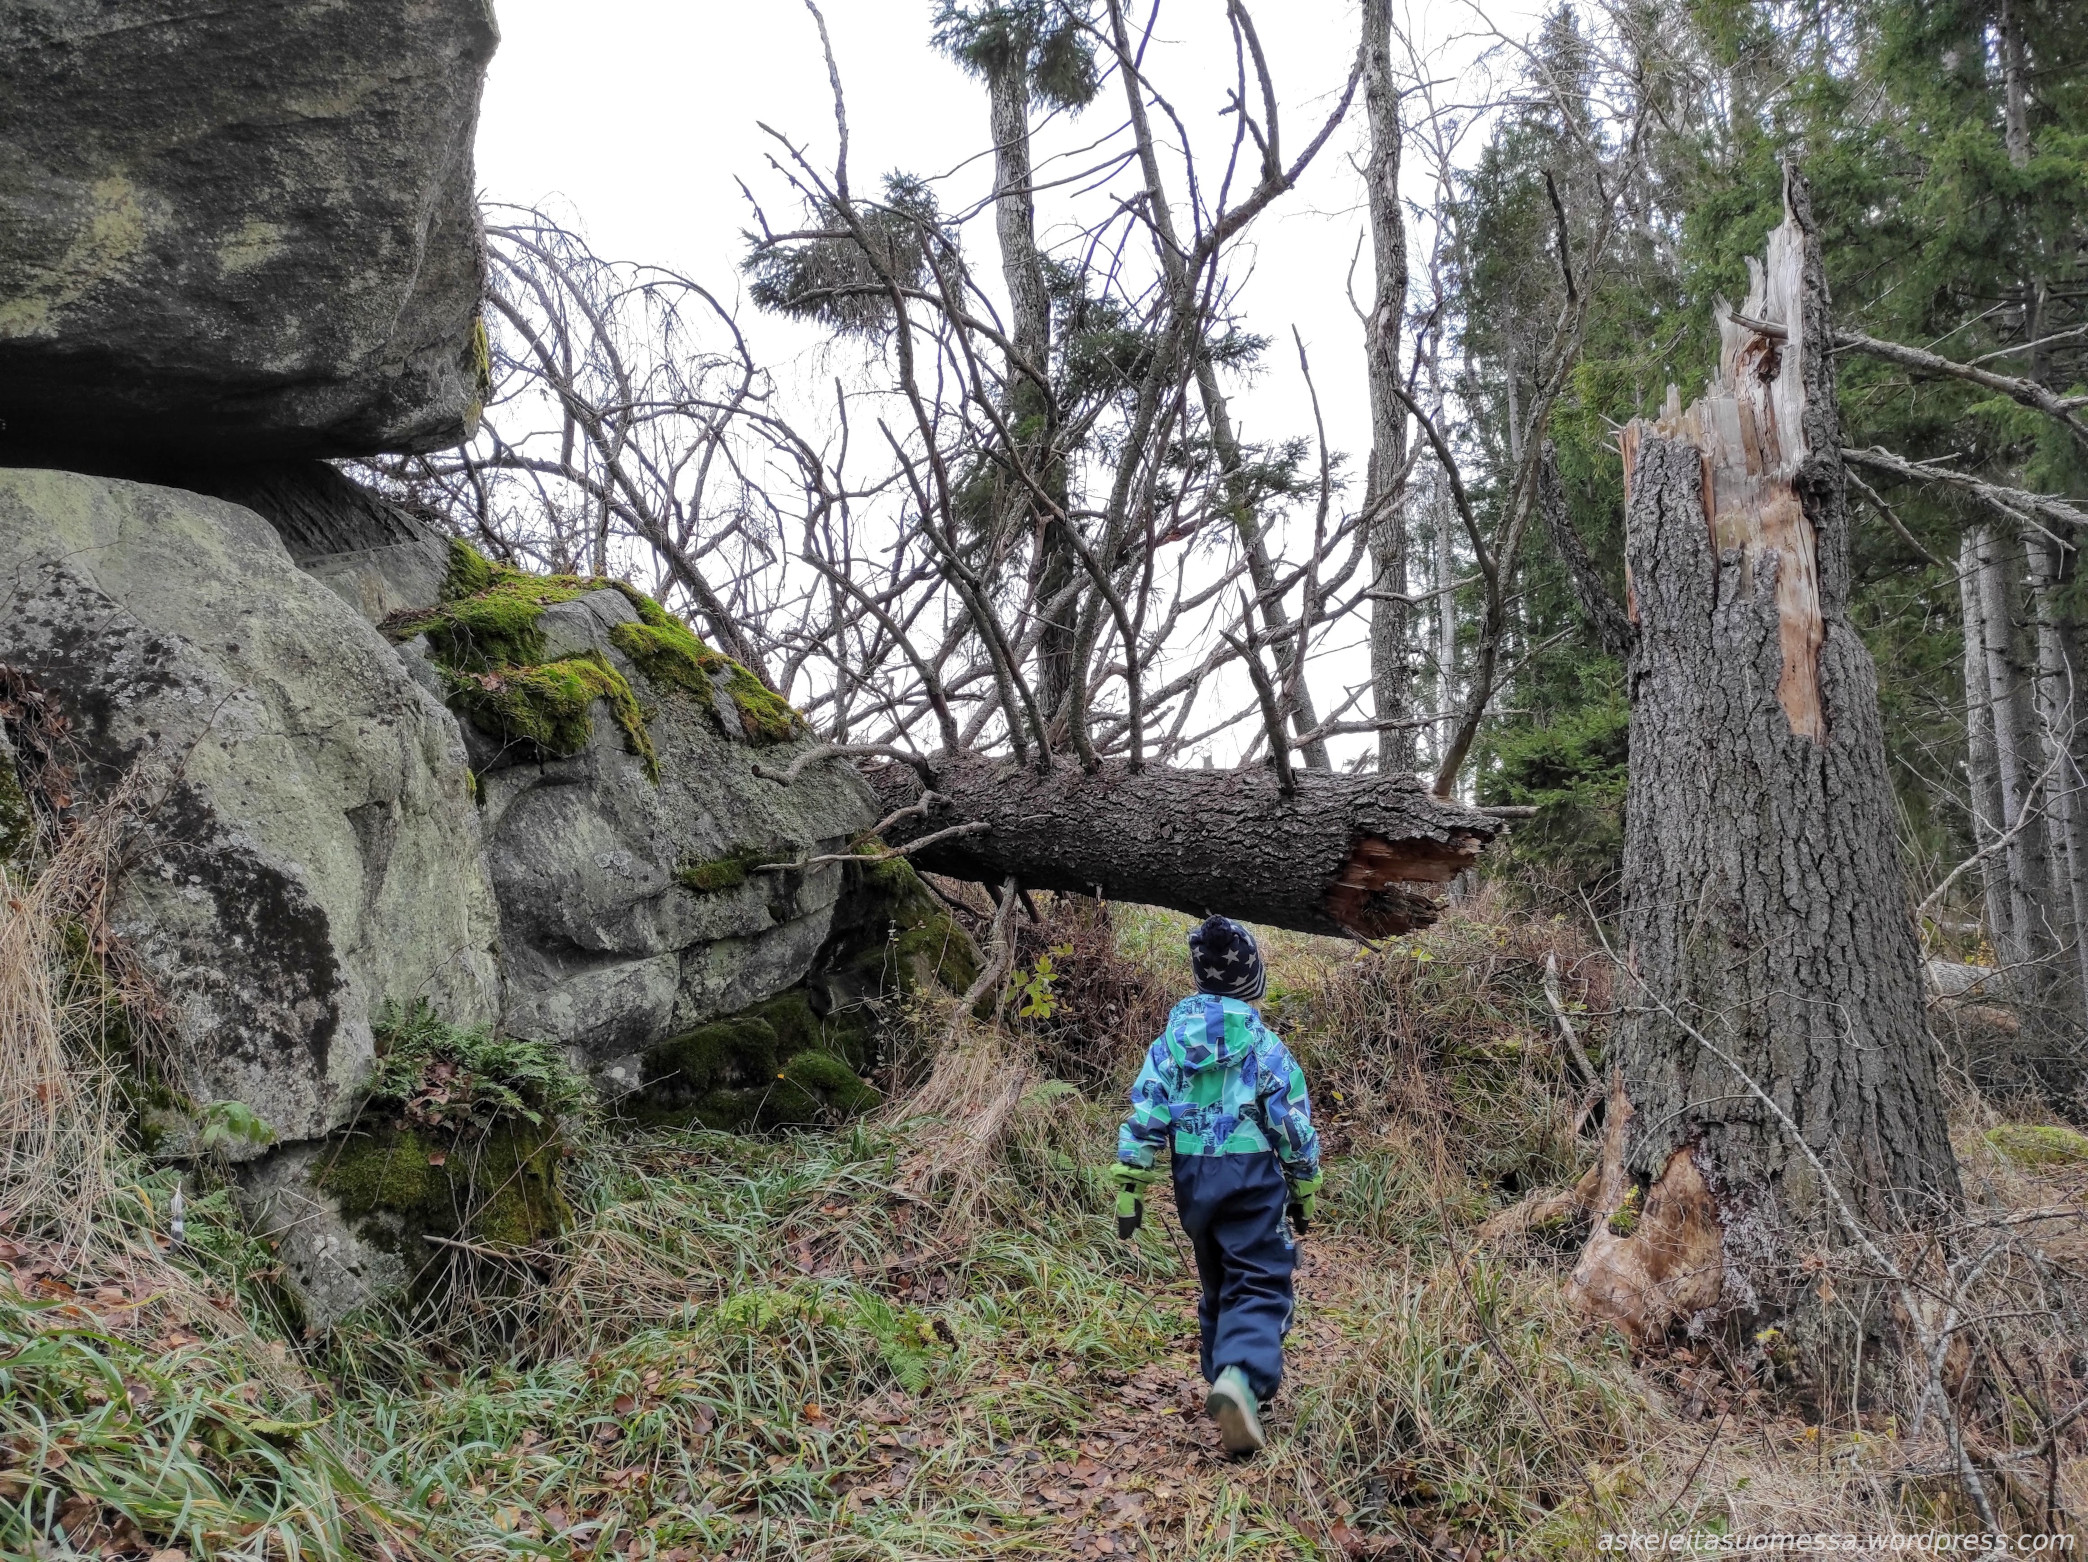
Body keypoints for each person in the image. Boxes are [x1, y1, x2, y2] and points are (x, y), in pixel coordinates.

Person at [1107, 915, 1323, 1455]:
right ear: (1253, 982)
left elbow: (1146, 1109)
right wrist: (1304, 1185)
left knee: (1218, 1276)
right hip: (1251, 1175)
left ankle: (1225, 1376)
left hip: (1192, 1177)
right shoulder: (1265, 1047)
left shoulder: (1169, 1044)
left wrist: (1131, 1181)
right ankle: (1242, 1377)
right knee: (1259, 1273)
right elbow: (1292, 1123)